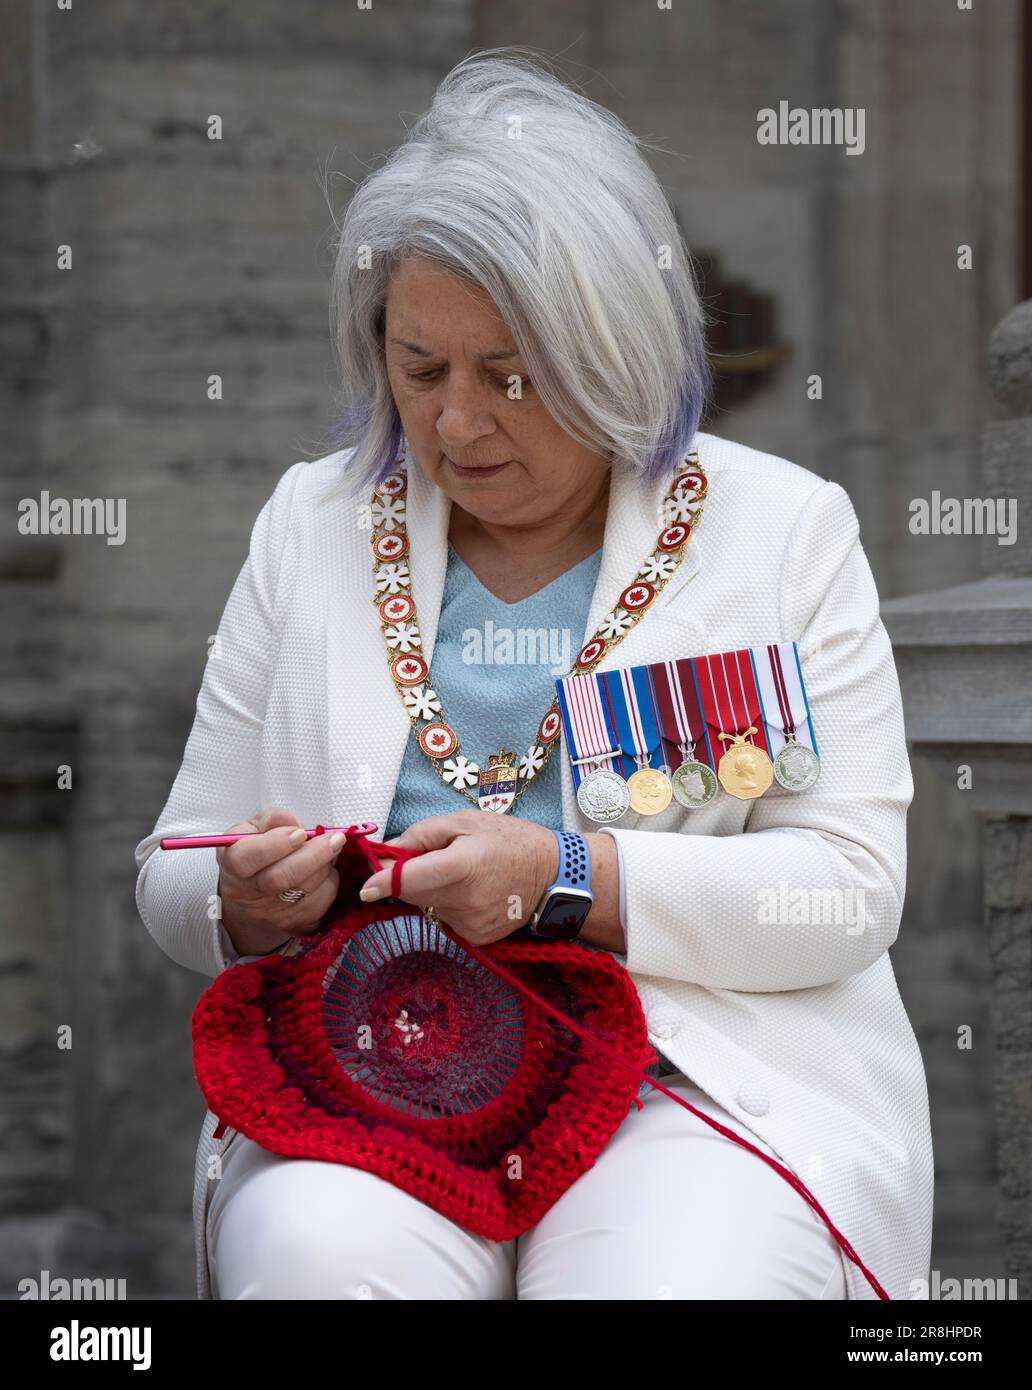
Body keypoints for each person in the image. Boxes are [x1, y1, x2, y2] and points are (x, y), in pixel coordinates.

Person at [134, 49, 933, 1300]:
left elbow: (847, 889)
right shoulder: (312, 523)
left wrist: (565, 877)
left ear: (613, 347)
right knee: (311, 1260)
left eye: (508, 375)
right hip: (374, 1067)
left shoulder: (779, 531)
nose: (453, 424)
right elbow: (173, 868)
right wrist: (250, 903)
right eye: (417, 367)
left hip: (695, 1080)